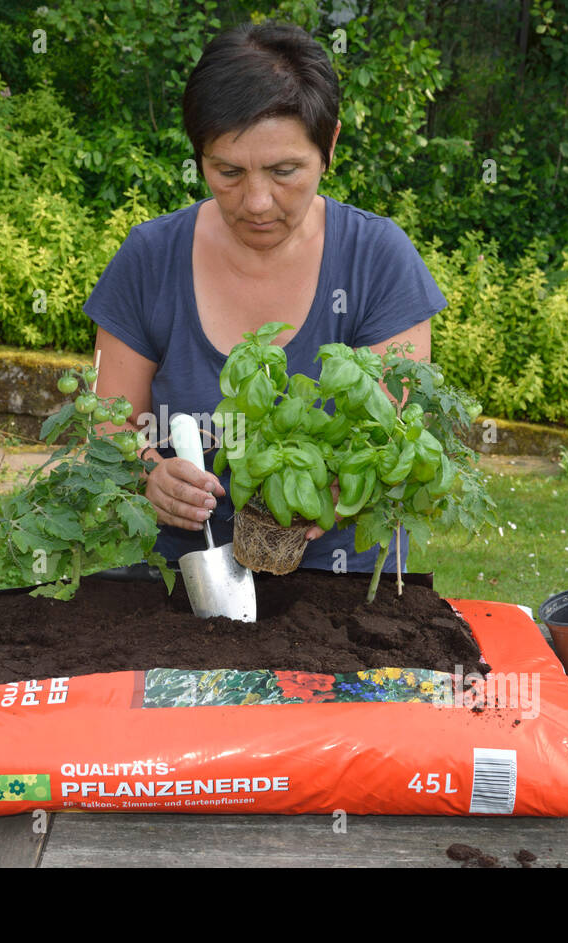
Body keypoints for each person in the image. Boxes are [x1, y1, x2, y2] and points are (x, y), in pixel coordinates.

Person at [85, 20, 447, 576]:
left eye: (284, 171)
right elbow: (110, 426)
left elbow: (385, 432)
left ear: (329, 146)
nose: (256, 201)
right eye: (227, 171)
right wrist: (148, 474)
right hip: (181, 586)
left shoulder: (378, 259)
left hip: (338, 590)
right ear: (199, 155)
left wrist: (338, 481)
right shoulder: (150, 257)